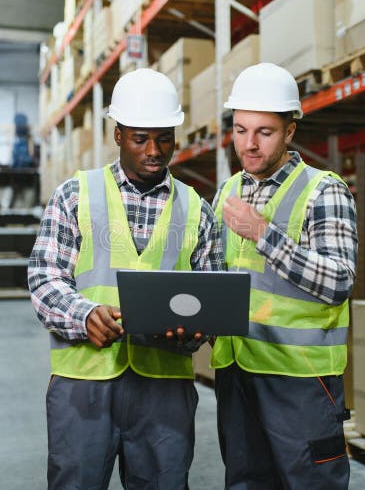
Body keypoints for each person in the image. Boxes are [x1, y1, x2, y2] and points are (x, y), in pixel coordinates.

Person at [28, 68, 223, 490]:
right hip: (84, 382)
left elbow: (212, 296)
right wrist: (83, 315)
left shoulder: (196, 209)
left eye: (164, 138)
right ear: (117, 135)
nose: (154, 151)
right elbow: (44, 277)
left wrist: (192, 334)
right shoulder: (75, 195)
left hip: (164, 390)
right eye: (140, 139)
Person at [211, 63, 358, 489]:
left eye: (265, 132)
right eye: (240, 130)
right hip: (237, 373)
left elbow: (339, 282)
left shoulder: (323, 190)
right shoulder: (226, 192)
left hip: (301, 380)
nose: (249, 144)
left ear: (290, 131)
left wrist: (262, 233)